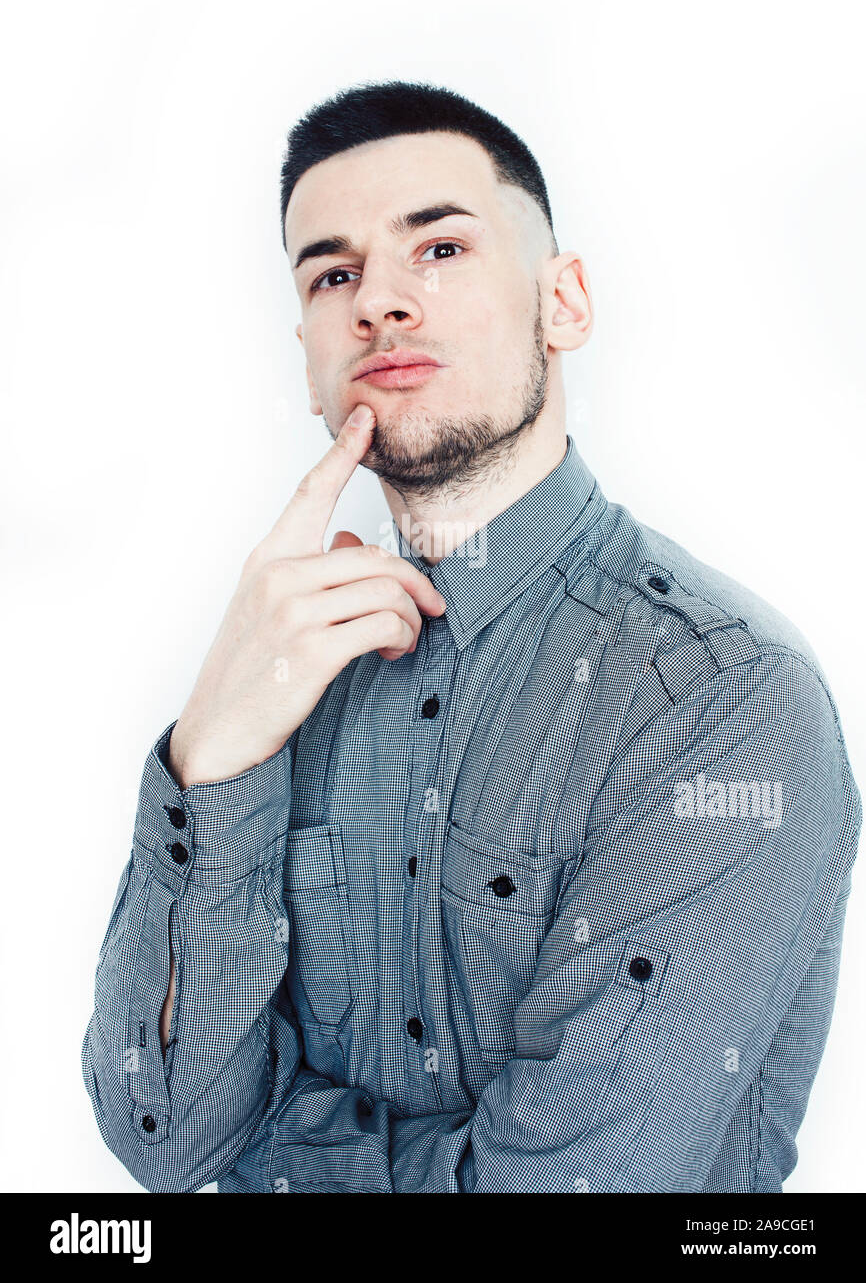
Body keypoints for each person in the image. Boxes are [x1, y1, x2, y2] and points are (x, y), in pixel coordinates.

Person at [81, 80, 862, 1193]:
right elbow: (165, 1132)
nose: (379, 303)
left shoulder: (723, 698)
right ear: (307, 354)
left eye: (438, 251)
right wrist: (213, 748)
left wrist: (276, 1148)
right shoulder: (284, 676)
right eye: (333, 273)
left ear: (564, 303)